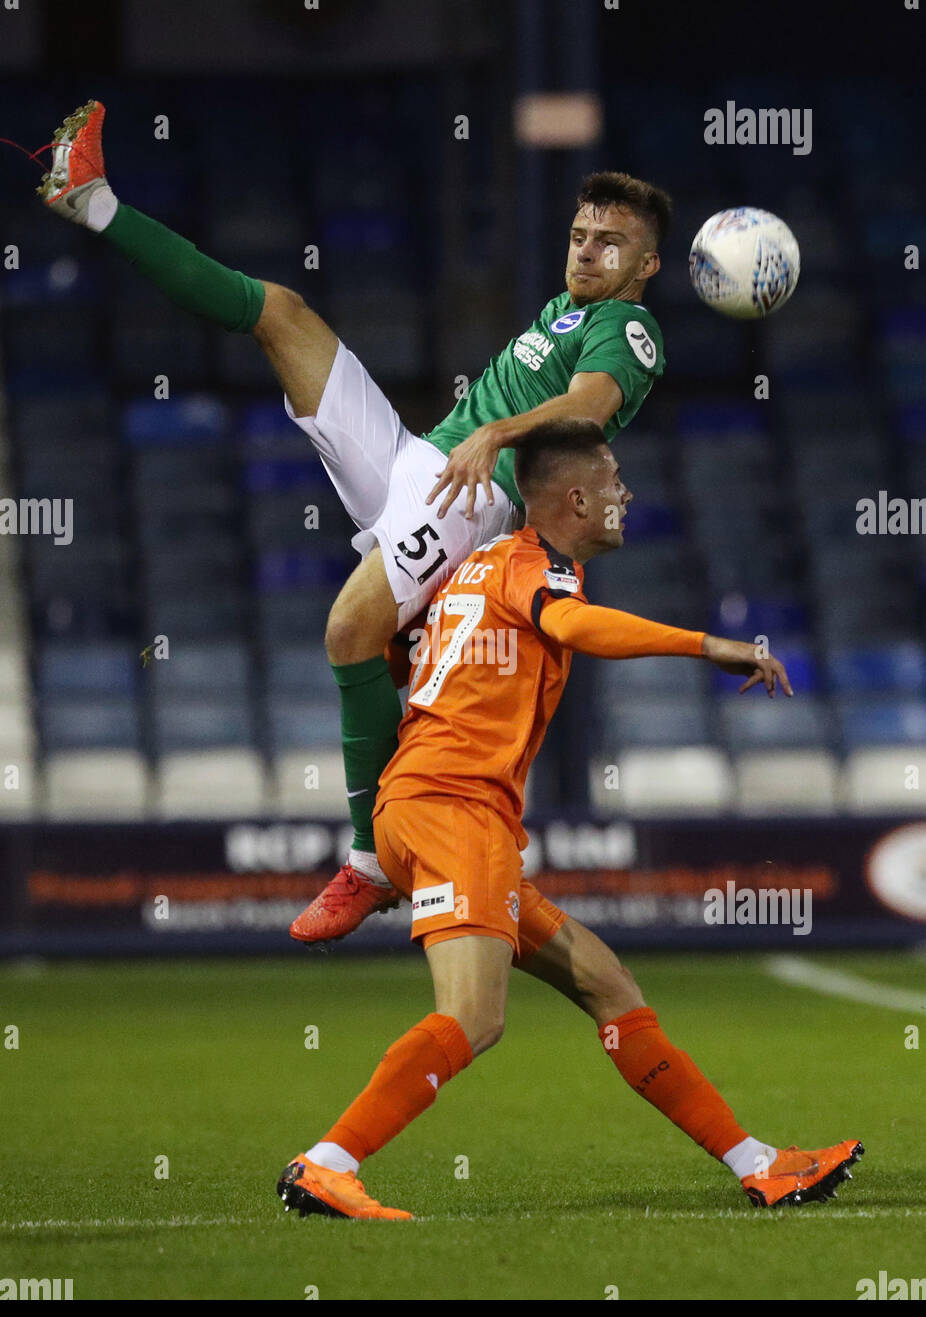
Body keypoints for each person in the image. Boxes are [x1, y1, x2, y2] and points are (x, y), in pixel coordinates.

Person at [38, 100, 671, 939]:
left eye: (610, 243)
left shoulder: (629, 327)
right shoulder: (566, 309)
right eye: (580, 236)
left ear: (647, 265)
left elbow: (590, 407)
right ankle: (96, 203)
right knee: (282, 312)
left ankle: (370, 862)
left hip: (475, 498)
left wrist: (497, 431)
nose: (588, 251)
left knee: (347, 628)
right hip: (419, 459)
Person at [276, 419, 862, 1220]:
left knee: (607, 984)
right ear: (577, 498)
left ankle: (759, 1164)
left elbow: (391, 654)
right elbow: (574, 627)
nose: (626, 496)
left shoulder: (473, 567)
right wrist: (707, 645)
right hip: (454, 809)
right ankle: (326, 1163)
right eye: (615, 481)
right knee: (473, 1018)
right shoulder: (533, 569)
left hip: (421, 806)